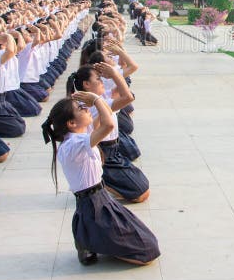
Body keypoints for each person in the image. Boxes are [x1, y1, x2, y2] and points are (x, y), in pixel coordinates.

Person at [42, 93, 160, 267]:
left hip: (101, 199)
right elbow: (109, 124)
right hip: (93, 206)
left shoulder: (79, 136)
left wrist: (97, 102)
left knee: (148, 243)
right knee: (147, 253)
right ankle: (89, 239)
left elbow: (106, 118)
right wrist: (96, 100)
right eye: (82, 109)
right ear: (71, 123)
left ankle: (91, 238)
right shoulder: (74, 144)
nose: (87, 109)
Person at [65, 64, 149, 203]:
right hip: (105, 155)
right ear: (86, 84)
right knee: (140, 194)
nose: (102, 81)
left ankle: (105, 179)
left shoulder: (98, 99)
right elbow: (128, 97)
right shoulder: (88, 107)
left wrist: (115, 73)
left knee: (142, 185)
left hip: (113, 150)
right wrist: (115, 74)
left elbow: (125, 93)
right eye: (98, 79)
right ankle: (102, 179)